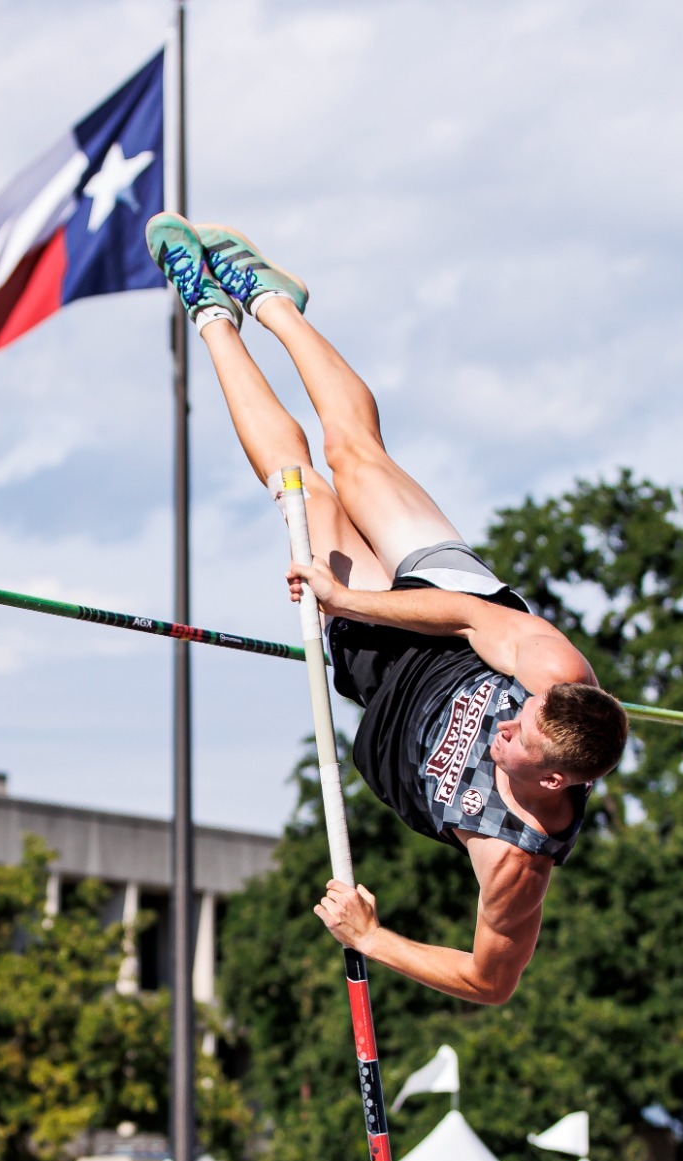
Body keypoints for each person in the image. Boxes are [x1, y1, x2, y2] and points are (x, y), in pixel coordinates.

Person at [145, 212, 629, 1007]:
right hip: (449, 611)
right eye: (526, 711)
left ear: (549, 775)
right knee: (358, 457)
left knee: (300, 489)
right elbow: (472, 620)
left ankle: (208, 315)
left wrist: (373, 937)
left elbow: (489, 979)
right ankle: (273, 302)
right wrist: (349, 596)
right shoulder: (561, 674)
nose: (509, 722)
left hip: (394, 686)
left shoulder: (515, 862)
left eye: (519, 734)